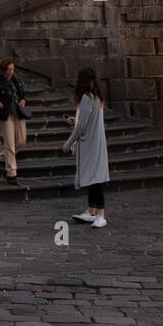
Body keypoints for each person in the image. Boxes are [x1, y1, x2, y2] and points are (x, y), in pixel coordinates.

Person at [63, 66, 110, 228]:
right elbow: (86, 121)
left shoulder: (86, 98)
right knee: (94, 177)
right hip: (97, 142)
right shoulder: (97, 97)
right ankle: (91, 211)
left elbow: (81, 126)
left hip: (90, 143)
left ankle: (101, 214)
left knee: (95, 178)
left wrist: (68, 143)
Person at [0, 57, 28, 186]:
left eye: (12, 69)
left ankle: (2, 157)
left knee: (21, 141)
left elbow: (21, 94)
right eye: (8, 69)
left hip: (18, 112)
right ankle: (11, 173)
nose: (10, 72)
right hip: (5, 114)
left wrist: (23, 100)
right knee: (10, 143)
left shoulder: (16, 80)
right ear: (3, 70)